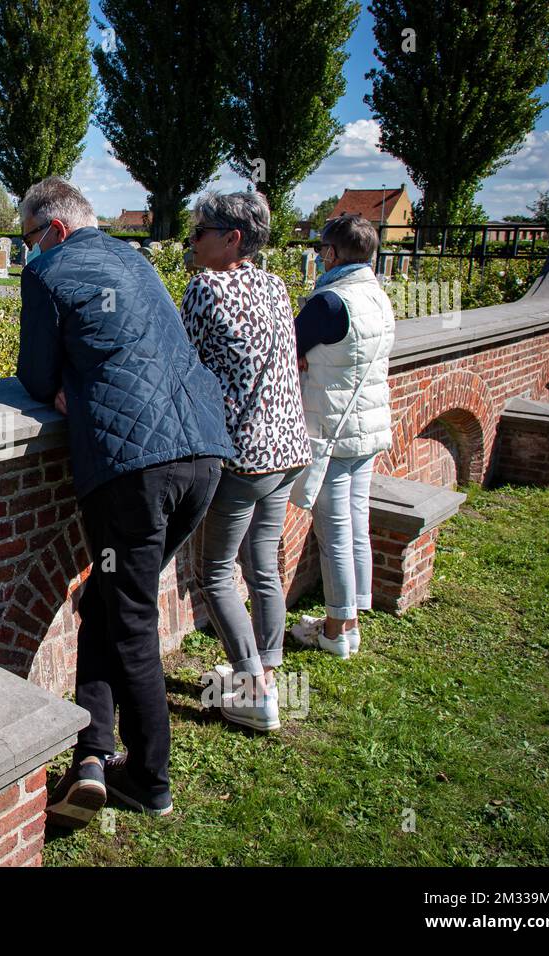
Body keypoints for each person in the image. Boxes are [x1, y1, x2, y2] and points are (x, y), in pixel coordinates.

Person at [15, 177, 234, 829]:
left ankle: (149, 779)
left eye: (26, 237)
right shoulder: (133, 258)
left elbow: (33, 375)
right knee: (108, 603)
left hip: (134, 469)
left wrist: (67, 388)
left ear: (53, 230)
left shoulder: (50, 268)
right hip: (202, 453)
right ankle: (93, 755)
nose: (25, 249)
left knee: (129, 620)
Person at [180, 192, 312, 733]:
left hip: (242, 456)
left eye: (199, 232)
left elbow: (180, 363)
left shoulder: (205, 288)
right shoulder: (275, 283)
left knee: (214, 575)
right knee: (262, 565)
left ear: (232, 237)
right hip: (286, 448)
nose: (191, 242)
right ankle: (269, 665)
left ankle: (254, 693)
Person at [289, 214, 396, 658]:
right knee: (356, 528)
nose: (318, 258)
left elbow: (289, 350)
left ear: (332, 254)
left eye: (320, 251)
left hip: (331, 431)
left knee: (333, 534)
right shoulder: (379, 295)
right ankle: (350, 622)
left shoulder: (330, 302)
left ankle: (335, 631)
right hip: (368, 428)